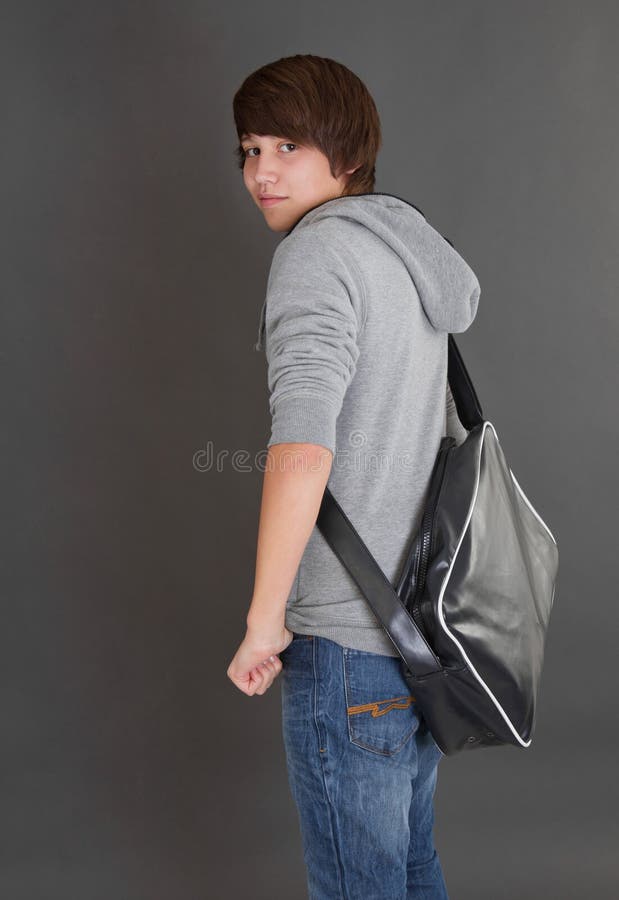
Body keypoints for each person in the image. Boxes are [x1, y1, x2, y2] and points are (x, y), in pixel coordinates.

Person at [226, 54, 480, 899]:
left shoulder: (316, 256)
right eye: (248, 149)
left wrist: (266, 622)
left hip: (345, 646)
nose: (262, 172)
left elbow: (302, 448)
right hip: (419, 633)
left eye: (286, 145)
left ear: (344, 152)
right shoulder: (402, 254)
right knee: (408, 872)